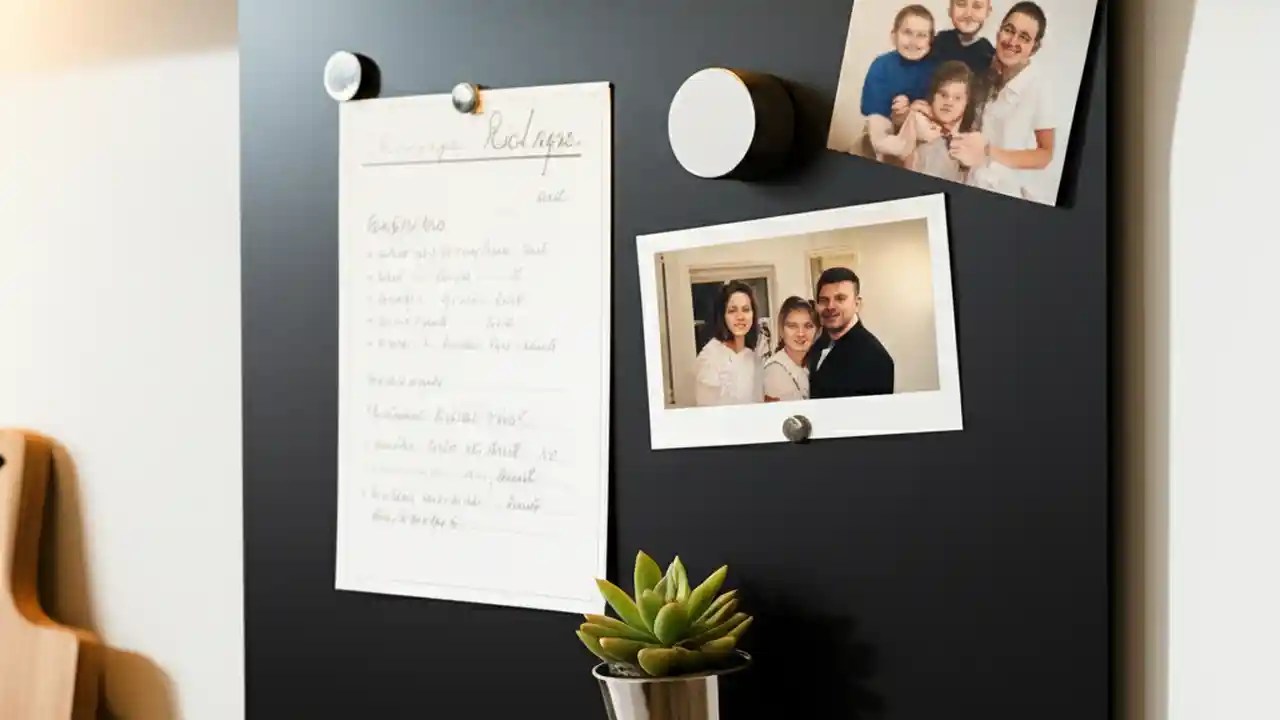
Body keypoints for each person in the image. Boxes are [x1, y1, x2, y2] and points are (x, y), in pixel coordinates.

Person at [948, 2, 1056, 202]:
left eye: (1024, 37)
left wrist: (989, 152)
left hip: (1004, 189)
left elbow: (1045, 154)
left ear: (1034, 47)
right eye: (1009, 30)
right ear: (999, 32)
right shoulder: (984, 67)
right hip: (968, 179)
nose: (1012, 41)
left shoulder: (1038, 86)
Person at [860, 5, 939, 160]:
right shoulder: (882, 64)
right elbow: (870, 106)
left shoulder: (935, 69)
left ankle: (905, 150)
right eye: (907, 32)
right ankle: (895, 148)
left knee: (924, 124)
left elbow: (934, 105)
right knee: (875, 121)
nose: (913, 41)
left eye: (921, 35)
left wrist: (915, 109)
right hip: (887, 121)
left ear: (930, 42)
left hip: (915, 124)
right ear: (893, 35)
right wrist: (895, 112)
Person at [881, 60, 978, 184]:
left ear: (967, 103)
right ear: (933, 95)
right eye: (943, 94)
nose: (948, 102)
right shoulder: (917, 120)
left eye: (957, 98)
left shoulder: (967, 141)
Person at [807, 268, 894, 399]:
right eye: (824, 300)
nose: (830, 306)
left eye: (840, 298)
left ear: (857, 304)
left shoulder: (875, 359)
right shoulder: (818, 342)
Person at [693, 281, 764, 406]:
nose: (740, 316)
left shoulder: (753, 356)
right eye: (732, 310)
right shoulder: (709, 358)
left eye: (746, 310)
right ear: (723, 315)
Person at [763, 297, 819, 402]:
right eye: (792, 326)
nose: (801, 333)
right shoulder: (775, 370)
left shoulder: (812, 364)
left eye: (808, 326)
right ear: (781, 330)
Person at [931, 0, 996, 75]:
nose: (968, 14)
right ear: (950, 10)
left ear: (988, 12)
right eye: (961, 5)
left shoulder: (989, 56)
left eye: (977, 6)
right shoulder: (936, 43)